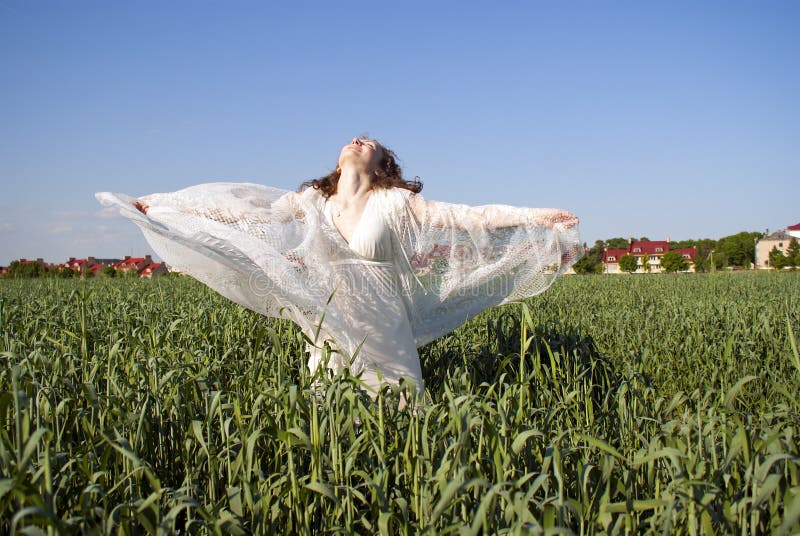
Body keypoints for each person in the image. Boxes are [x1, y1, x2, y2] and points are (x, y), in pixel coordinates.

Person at [97, 137, 581, 401]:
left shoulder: (394, 202)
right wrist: (159, 207)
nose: (357, 140)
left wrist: (537, 218)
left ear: (379, 162)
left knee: (400, 414)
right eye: (353, 139)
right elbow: (241, 212)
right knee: (330, 409)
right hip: (331, 325)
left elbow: (469, 218)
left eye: (368, 142)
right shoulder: (312, 202)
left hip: (384, 327)